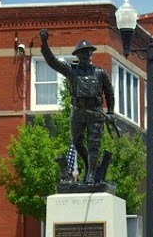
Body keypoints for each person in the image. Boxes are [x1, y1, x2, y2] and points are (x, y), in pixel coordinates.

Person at [39, 29, 116, 185]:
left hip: (95, 112)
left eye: (88, 53)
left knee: (94, 144)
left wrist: (111, 112)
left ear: (91, 55)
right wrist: (44, 43)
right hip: (78, 111)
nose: (85, 56)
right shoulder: (71, 71)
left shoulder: (100, 73)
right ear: (77, 56)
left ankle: (91, 175)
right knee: (77, 141)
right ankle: (89, 166)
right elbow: (52, 61)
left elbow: (109, 93)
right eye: (82, 53)